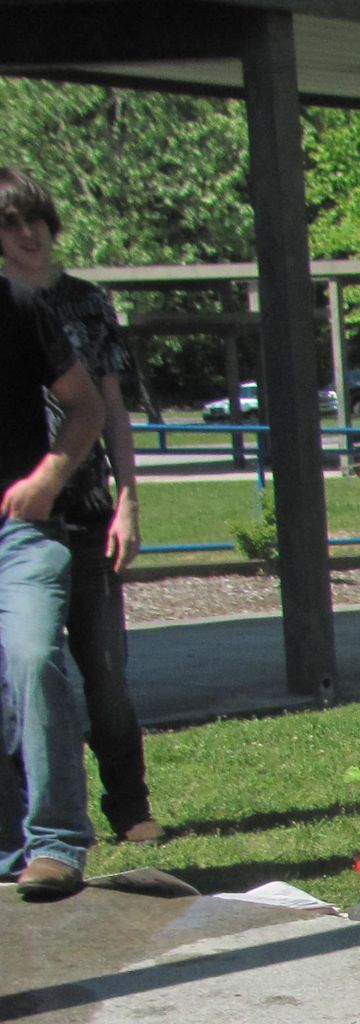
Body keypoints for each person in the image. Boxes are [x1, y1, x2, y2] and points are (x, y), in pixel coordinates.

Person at [0, 169, 157, 846]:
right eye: (11, 223)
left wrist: (128, 502)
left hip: (85, 508)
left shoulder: (86, 305)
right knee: (25, 671)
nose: (28, 234)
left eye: (36, 219)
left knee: (102, 669)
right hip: (20, 517)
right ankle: (28, 825)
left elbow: (110, 408)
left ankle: (130, 805)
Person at [1, 272, 105, 900]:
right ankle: (9, 847)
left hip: (19, 529)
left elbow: (87, 403)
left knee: (35, 655)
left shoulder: (17, 307)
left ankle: (58, 841)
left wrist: (49, 476)